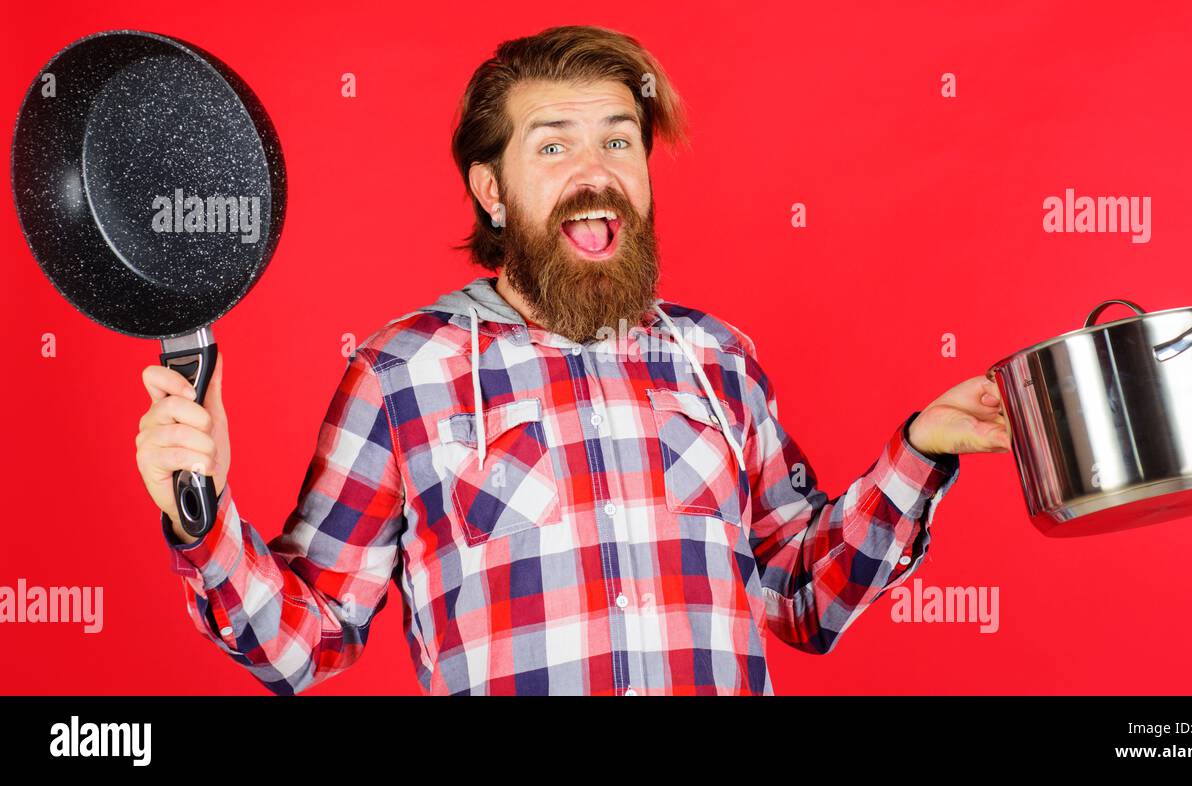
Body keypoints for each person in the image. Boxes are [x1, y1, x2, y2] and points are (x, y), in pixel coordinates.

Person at [135, 25, 1010, 696]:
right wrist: (201, 520)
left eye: (618, 142)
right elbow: (306, 640)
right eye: (553, 146)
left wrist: (920, 451)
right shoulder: (400, 374)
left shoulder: (719, 360)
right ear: (493, 191)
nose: (595, 173)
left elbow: (804, 597)